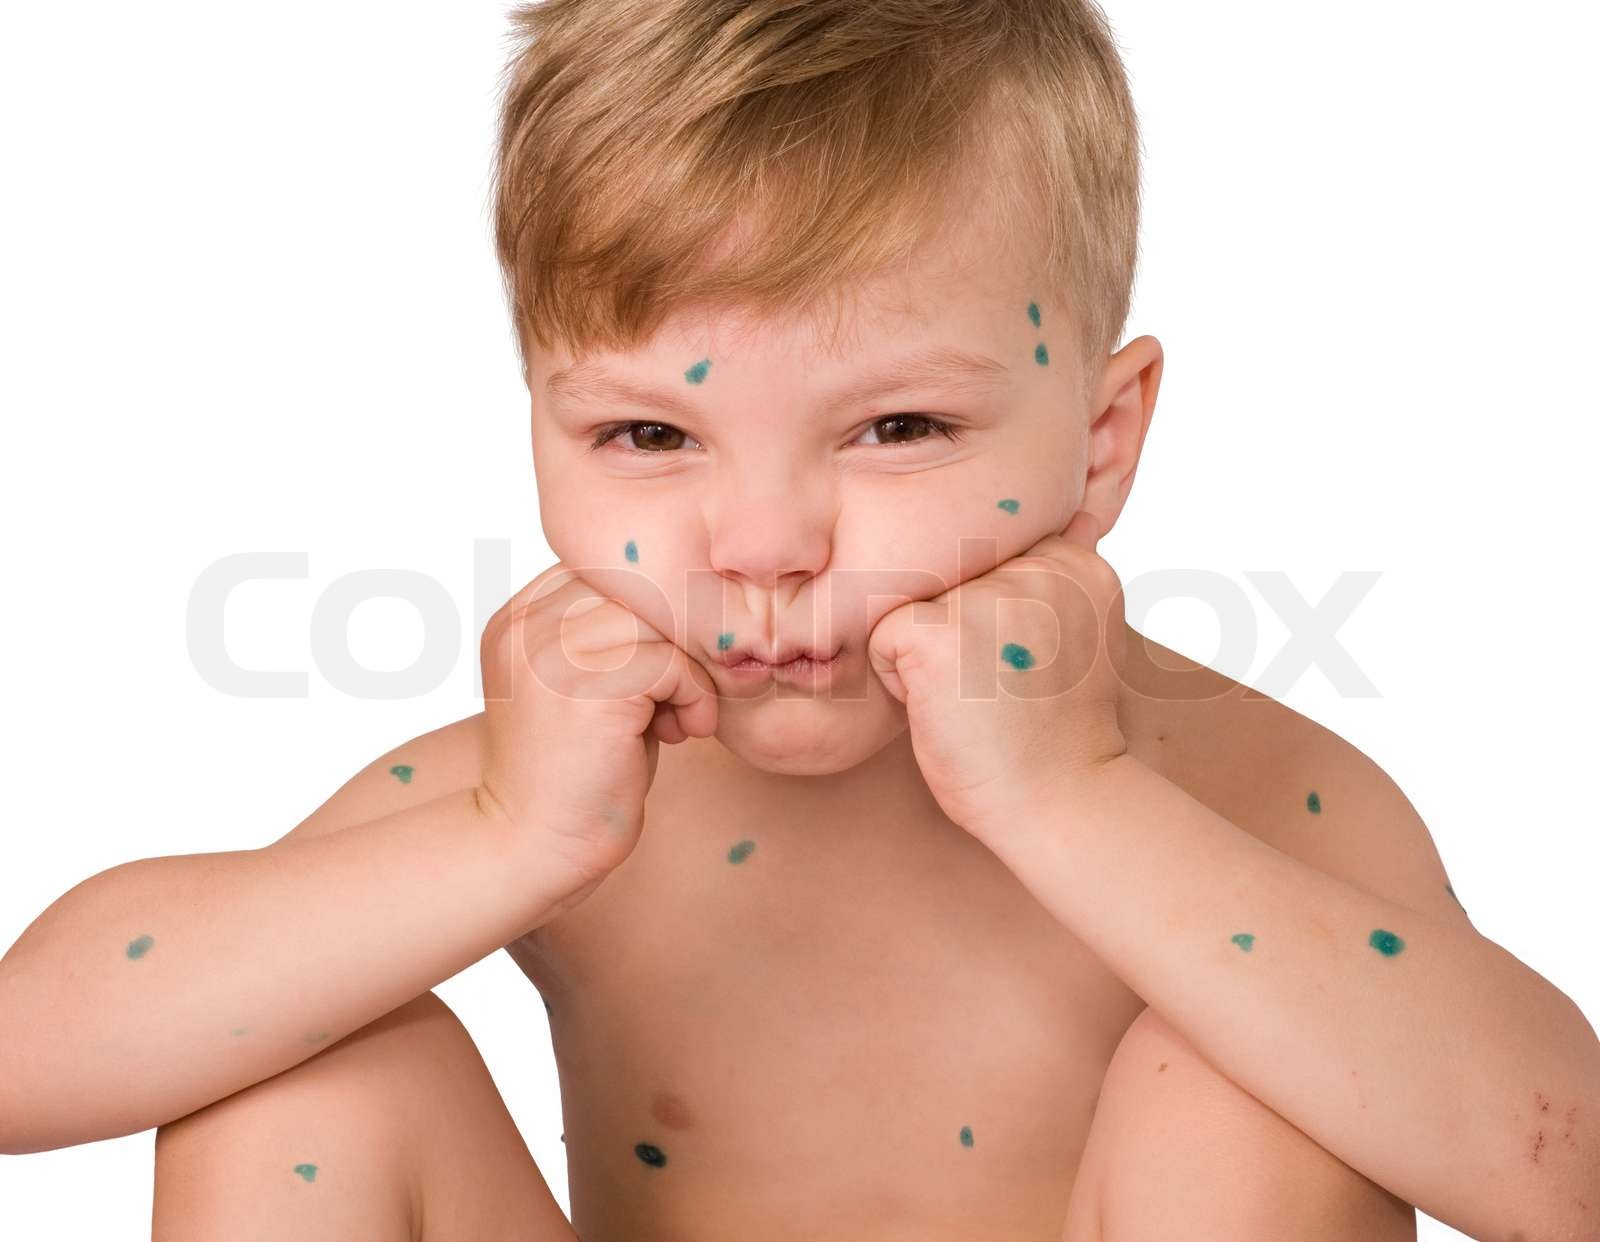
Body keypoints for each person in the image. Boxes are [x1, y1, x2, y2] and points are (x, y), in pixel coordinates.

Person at [3, 2, 1597, 1239]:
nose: (762, 544)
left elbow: (1570, 1169)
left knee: (1258, 1071)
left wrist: (1077, 800)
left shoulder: (1251, 794)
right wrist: (509, 837)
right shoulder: (555, 790)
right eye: (649, 433)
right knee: (296, 1072)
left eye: (897, 428)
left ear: (1102, 441)